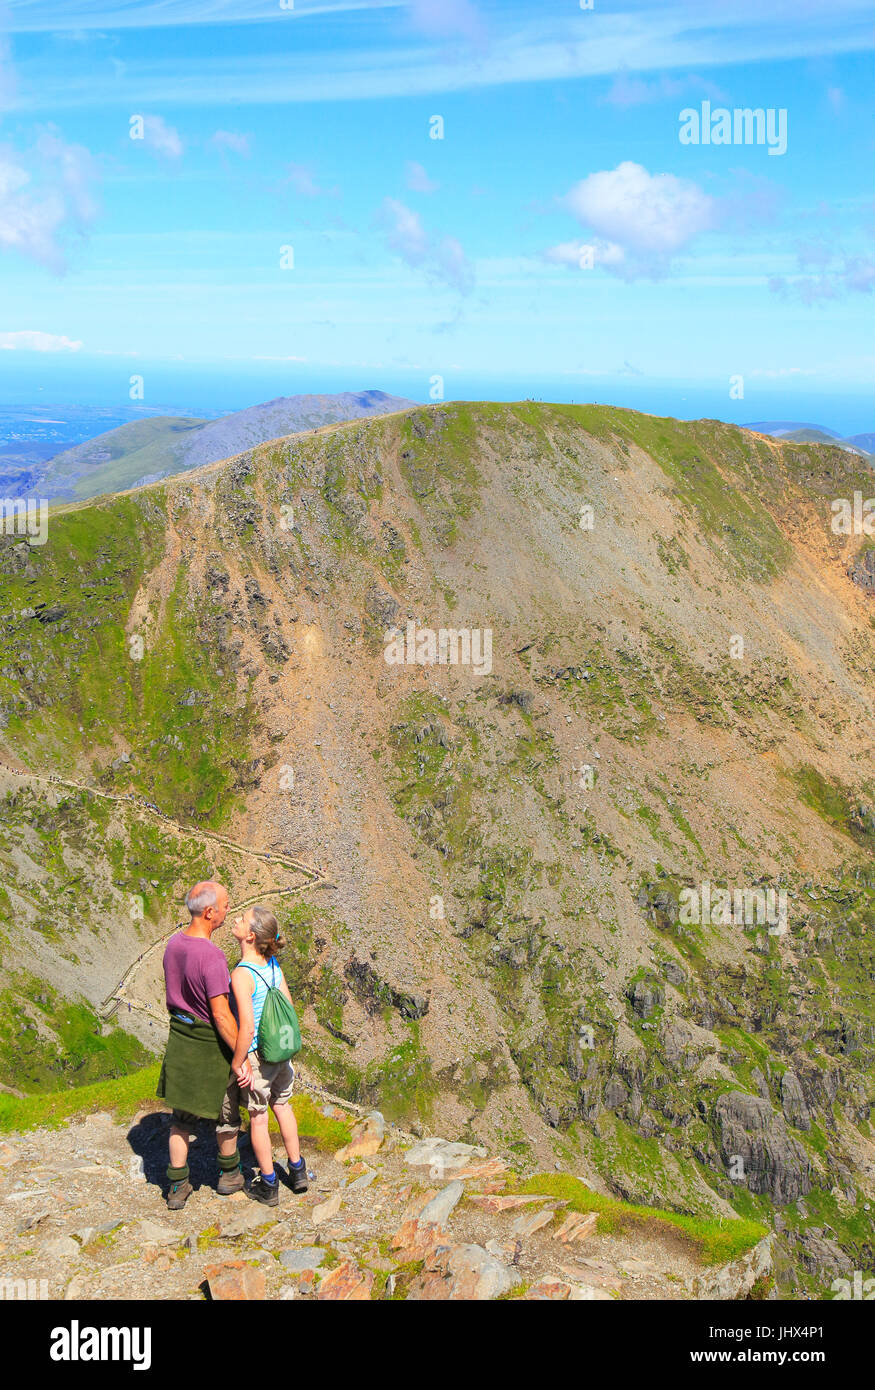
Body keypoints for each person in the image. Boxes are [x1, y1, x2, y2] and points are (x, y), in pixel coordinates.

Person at [156, 881, 252, 1210]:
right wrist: (241, 1056)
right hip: (209, 1042)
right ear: (209, 912)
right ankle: (229, 1176)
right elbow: (222, 1017)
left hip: (181, 1037)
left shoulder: (173, 944)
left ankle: (177, 1185)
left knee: (181, 1118)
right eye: (226, 905)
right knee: (226, 1114)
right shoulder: (211, 956)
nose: (229, 910)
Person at [221, 905, 307, 1206]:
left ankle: (269, 1184)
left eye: (241, 919)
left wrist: (238, 1061)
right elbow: (289, 1006)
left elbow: (245, 1028)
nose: (235, 920)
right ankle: (297, 1171)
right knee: (282, 1106)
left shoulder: (242, 974)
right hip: (281, 1051)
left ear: (250, 935)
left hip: (258, 1053)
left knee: (257, 1118)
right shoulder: (273, 965)